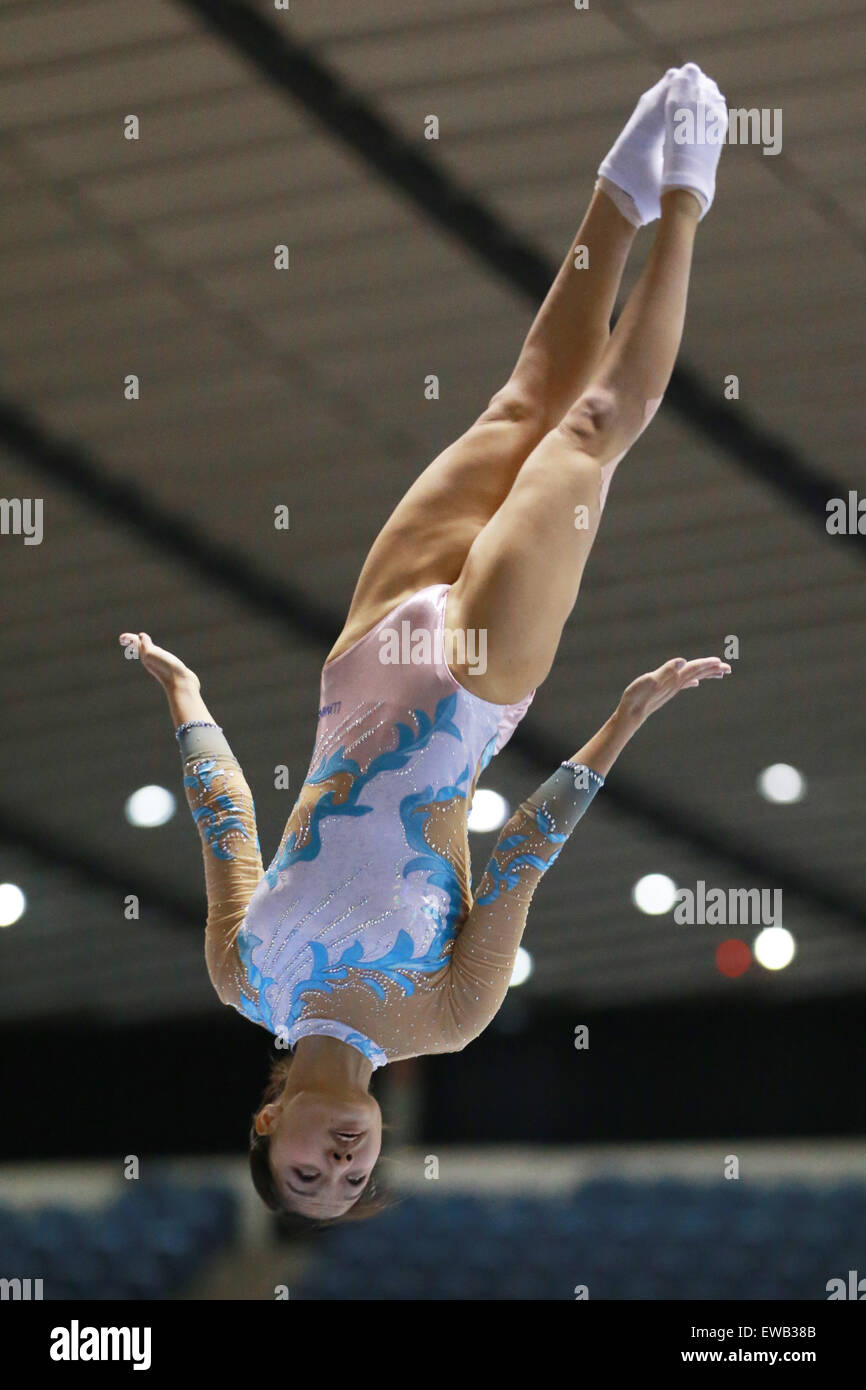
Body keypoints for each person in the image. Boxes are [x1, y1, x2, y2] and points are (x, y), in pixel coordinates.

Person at [120, 63, 731, 1222]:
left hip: (361, 653)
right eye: (351, 1177)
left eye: (308, 1170)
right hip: (469, 686)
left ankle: (622, 182)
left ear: (264, 1122)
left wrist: (187, 700)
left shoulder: (241, 977)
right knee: (590, 433)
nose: (342, 1160)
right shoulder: (444, 1018)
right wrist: (620, 721)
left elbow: (227, 822)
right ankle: (692, 192)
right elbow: (517, 864)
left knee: (522, 402)